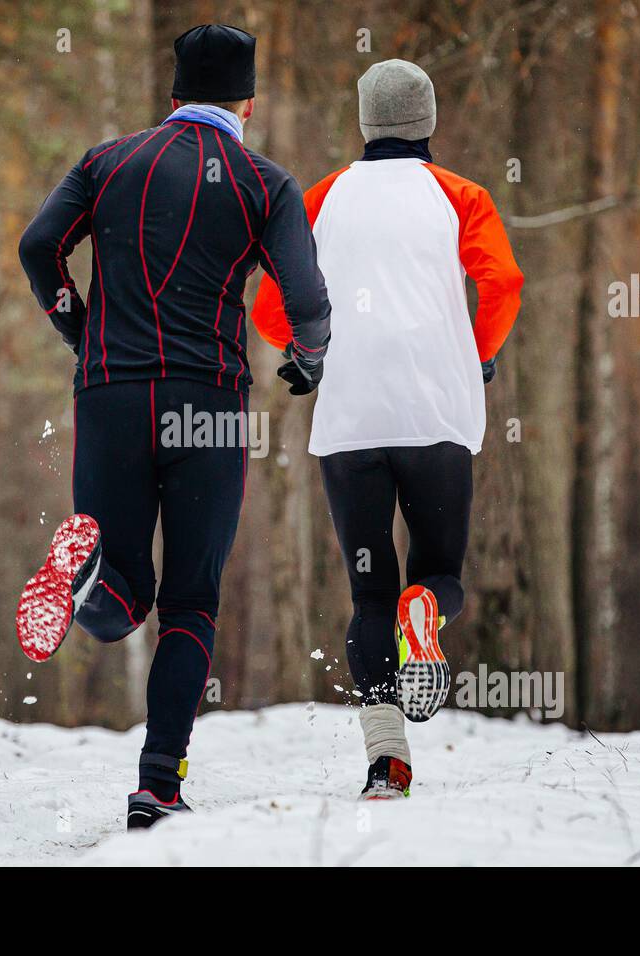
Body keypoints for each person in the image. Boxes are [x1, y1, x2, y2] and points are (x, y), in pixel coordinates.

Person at [15, 24, 331, 829]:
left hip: (111, 393)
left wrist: (74, 324)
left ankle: (90, 587)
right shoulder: (266, 184)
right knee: (189, 602)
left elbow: (39, 244)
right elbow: (307, 299)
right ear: (248, 104)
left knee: (125, 580)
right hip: (210, 405)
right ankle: (158, 784)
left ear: (173, 96)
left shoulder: (108, 160)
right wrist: (311, 356)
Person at [251, 59, 523, 800]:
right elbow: (502, 281)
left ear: (366, 125)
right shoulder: (460, 195)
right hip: (436, 410)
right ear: (428, 122)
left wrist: (307, 358)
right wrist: (481, 353)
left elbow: (271, 310)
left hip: (350, 419)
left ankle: (387, 762)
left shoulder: (322, 197)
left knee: (369, 595)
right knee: (437, 573)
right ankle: (427, 610)